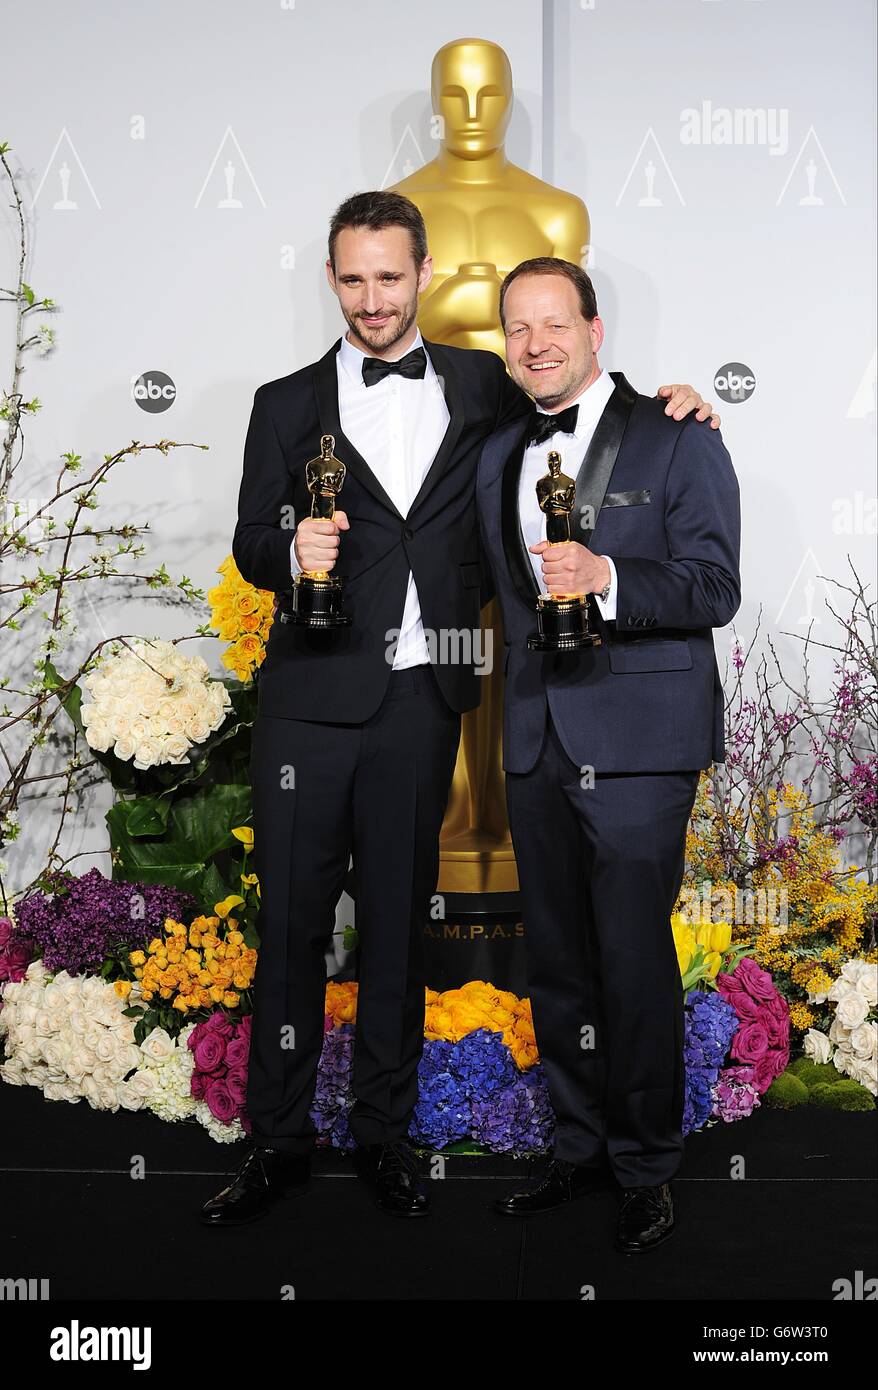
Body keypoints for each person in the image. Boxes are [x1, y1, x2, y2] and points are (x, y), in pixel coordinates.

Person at [201, 193, 718, 1226]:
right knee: (293, 925)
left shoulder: (481, 383)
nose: (371, 298)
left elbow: (574, 414)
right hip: (310, 696)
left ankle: (383, 1137)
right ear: (333, 281)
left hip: (424, 695)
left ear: (424, 275)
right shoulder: (280, 400)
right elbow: (253, 539)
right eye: (351, 279)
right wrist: (283, 549)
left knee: (395, 922)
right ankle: (276, 1139)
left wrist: (674, 403)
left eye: (390, 277)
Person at [475, 256, 741, 1253]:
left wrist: (608, 574)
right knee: (560, 965)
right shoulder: (498, 448)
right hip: (535, 737)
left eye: (553, 324)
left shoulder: (677, 434)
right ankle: (577, 1148)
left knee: (630, 964)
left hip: (636, 744)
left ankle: (644, 1167)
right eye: (517, 329)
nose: (535, 344)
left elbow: (712, 587)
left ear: (593, 329)